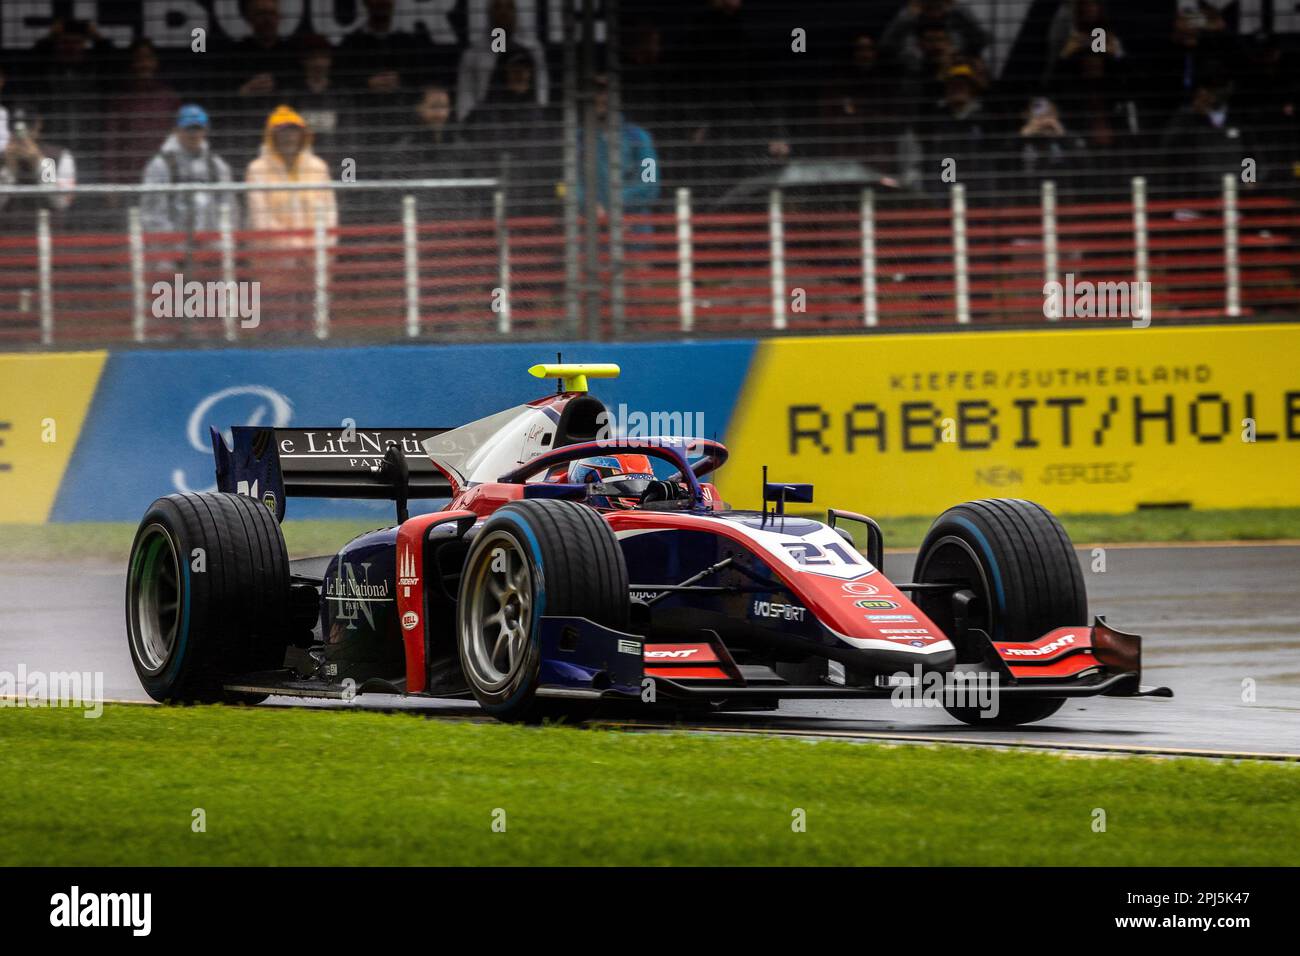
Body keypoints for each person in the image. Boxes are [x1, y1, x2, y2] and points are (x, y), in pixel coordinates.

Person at [245, 105, 337, 328]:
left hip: (313, 262)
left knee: (313, 322)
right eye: (282, 131)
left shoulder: (319, 167)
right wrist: (293, 247)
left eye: (294, 131)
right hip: (273, 264)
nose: (289, 137)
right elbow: (260, 218)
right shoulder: (257, 170)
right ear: (271, 135)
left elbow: (330, 213)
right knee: (278, 323)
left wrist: (317, 248)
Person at [575, 76, 661, 231]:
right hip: (592, 237)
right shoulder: (577, 139)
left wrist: (612, 204)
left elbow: (650, 185)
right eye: (593, 91)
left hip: (634, 235)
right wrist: (589, 205)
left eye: (602, 91)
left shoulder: (640, 137)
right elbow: (565, 185)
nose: (598, 97)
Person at [141, 105, 236, 238]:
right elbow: (153, 214)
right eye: (188, 129)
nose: (194, 134)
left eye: (198, 128)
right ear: (176, 130)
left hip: (211, 250)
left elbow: (229, 209)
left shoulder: (217, 165)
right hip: (172, 251)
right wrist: (172, 249)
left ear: (205, 130)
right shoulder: (160, 165)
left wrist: (218, 246)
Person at [455, 0, 549, 122]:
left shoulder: (532, 49)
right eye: (498, 7)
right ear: (489, 13)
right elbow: (465, 100)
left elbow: (541, 93)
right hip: (487, 126)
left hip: (526, 125)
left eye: (509, 7)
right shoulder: (473, 54)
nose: (503, 13)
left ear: (516, 12)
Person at [104, 39, 182, 184]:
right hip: (129, 178)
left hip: (164, 177)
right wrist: (111, 182)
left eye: (148, 59)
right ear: (132, 63)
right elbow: (112, 143)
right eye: (139, 59)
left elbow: (179, 137)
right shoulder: (121, 99)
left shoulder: (169, 97)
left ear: (155, 62)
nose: (144, 64)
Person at [0, 106, 76, 228]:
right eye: (16, 128)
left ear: (38, 125)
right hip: (8, 236)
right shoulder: (2, 158)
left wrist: (38, 162)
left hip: (49, 235)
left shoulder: (58, 156)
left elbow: (61, 202)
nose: (23, 134)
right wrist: (9, 169)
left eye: (27, 126)